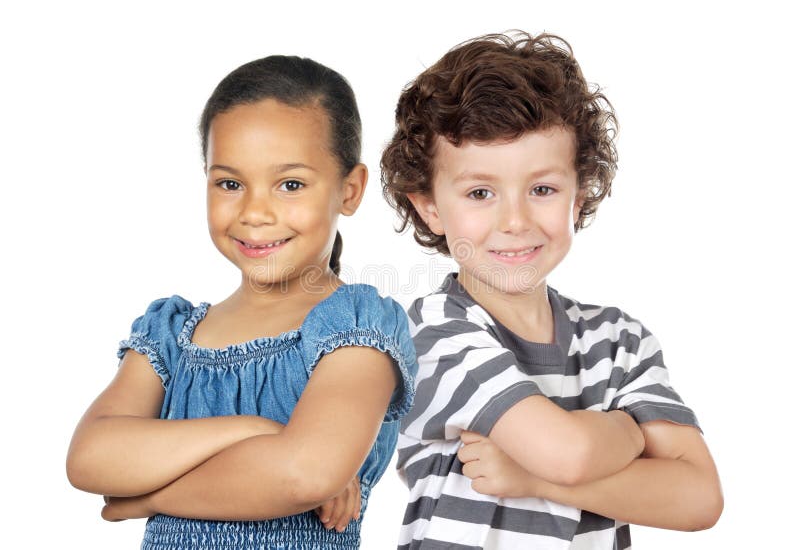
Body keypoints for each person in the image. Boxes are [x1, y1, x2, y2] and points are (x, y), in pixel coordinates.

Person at [381, 31, 722, 549]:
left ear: (579, 192)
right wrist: (628, 431)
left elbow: (699, 498)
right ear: (429, 206)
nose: (514, 220)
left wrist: (533, 481)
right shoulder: (431, 332)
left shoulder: (620, 341)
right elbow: (568, 452)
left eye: (542, 189)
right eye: (480, 192)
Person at [67, 55, 417, 550]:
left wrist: (148, 498)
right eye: (230, 183)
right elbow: (90, 457)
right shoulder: (171, 333)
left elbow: (304, 474)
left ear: (350, 190)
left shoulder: (358, 328)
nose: (254, 212)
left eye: (290, 184)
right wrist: (254, 431)